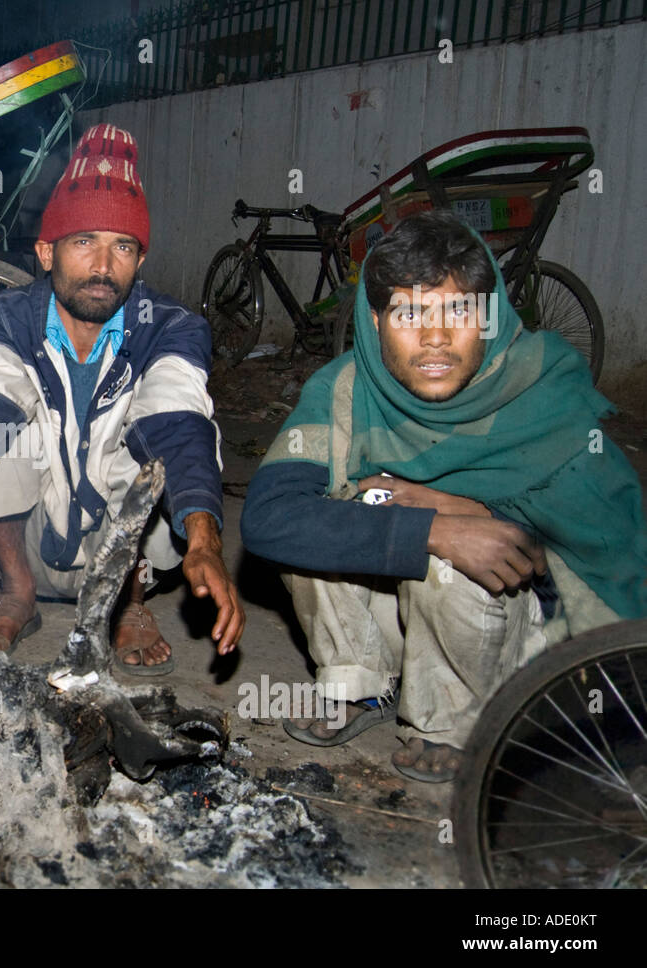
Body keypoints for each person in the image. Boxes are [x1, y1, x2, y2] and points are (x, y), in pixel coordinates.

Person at [241, 210, 647, 781]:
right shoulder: (344, 391)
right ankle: (361, 687)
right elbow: (267, 519)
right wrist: (432, 526)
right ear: (374, 320)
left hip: (531, 632)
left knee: (453, 564)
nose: (435, 336)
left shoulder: (545, 389)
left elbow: (597, 547)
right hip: (405, 620)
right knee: (334, 525)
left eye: (458, 310)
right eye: (408, 313)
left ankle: (455, 722)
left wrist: (462, 513)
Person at [0, 124, 244, 673]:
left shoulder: (171, 326)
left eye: (122, 247)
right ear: (45, 251)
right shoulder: (1, 319)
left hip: (127, 553)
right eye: (84, 242)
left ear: (140, 261)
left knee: (160, 434)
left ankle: (129, 603)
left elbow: (177, 420)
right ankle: (18, 592)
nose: (103, 267)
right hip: (30, 542)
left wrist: (203, 538)